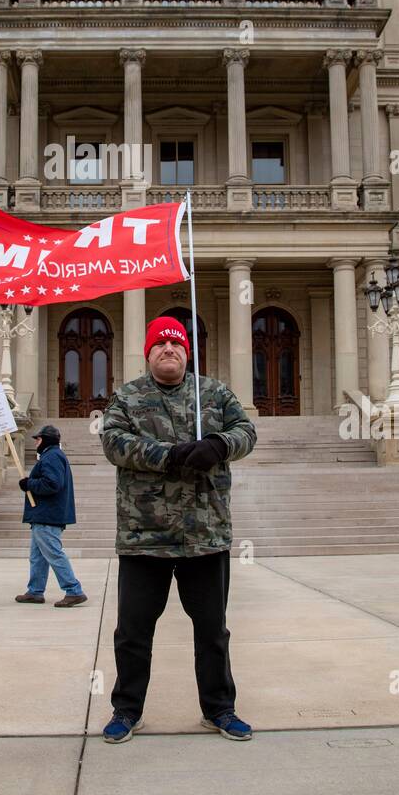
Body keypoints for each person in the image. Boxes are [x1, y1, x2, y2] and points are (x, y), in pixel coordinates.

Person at [100, 315, 257, 743]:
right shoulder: (126, 397)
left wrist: (220, 444)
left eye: (177, 345)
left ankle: (220, 709)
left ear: (187, 352)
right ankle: (126, 710)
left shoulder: (214, 393)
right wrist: (170, 456)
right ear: (148, 353)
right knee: (133, 633)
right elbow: (113, 442)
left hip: (205, 535)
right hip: (143, 537)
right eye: (160, 345)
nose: (169, 350)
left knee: (212, 632)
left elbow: (247, 431)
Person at [15, 423, 87, 608]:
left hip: (47, 516)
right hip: (43, 515)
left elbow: (52, 484)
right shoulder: (51, 455)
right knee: (37, 556)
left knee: (53, 553)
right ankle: (35, 591)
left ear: (45, 440)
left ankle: (74, 590)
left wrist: (29, 484)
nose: (36, 442)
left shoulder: (52, 456)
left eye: (38, 438)